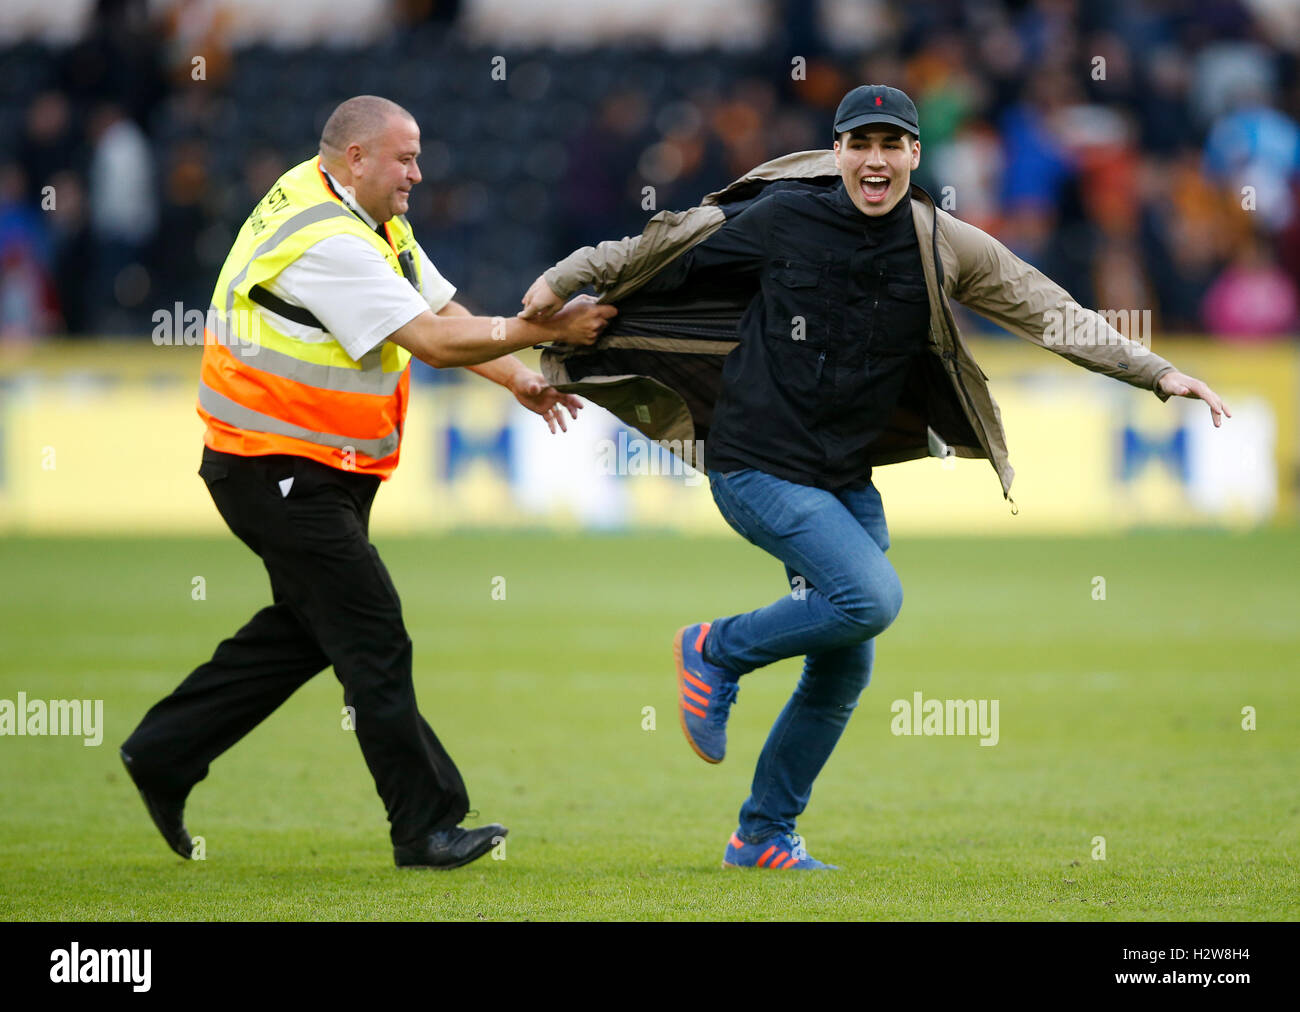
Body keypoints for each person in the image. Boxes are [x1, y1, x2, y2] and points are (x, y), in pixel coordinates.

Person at [521, 85, 1228, 870]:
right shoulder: (781, 217)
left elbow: (1048, 310)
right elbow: (662, 243)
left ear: (915, 157)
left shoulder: (943, 243)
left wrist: (1160, 374)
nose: (876, 160)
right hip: (754, 461)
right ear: (838, 153)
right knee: (870, 599)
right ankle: (715, 650)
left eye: (892, 145)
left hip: (843, 477)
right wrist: (563, 280)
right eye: (861, 145)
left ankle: (761, 836)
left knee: (846, 656)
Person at [120, 95, 615, 870]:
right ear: (355, 158)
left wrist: (517, 375)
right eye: (405, 158)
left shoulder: (353, 212)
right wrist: (545, 330)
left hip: (313, 466)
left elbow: (436, 305)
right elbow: (429, 340)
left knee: (309, 630)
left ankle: (164, 752)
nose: (418, 173)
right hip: (274, 466)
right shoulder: (329, 241)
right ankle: (425, 826)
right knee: (374, 633)